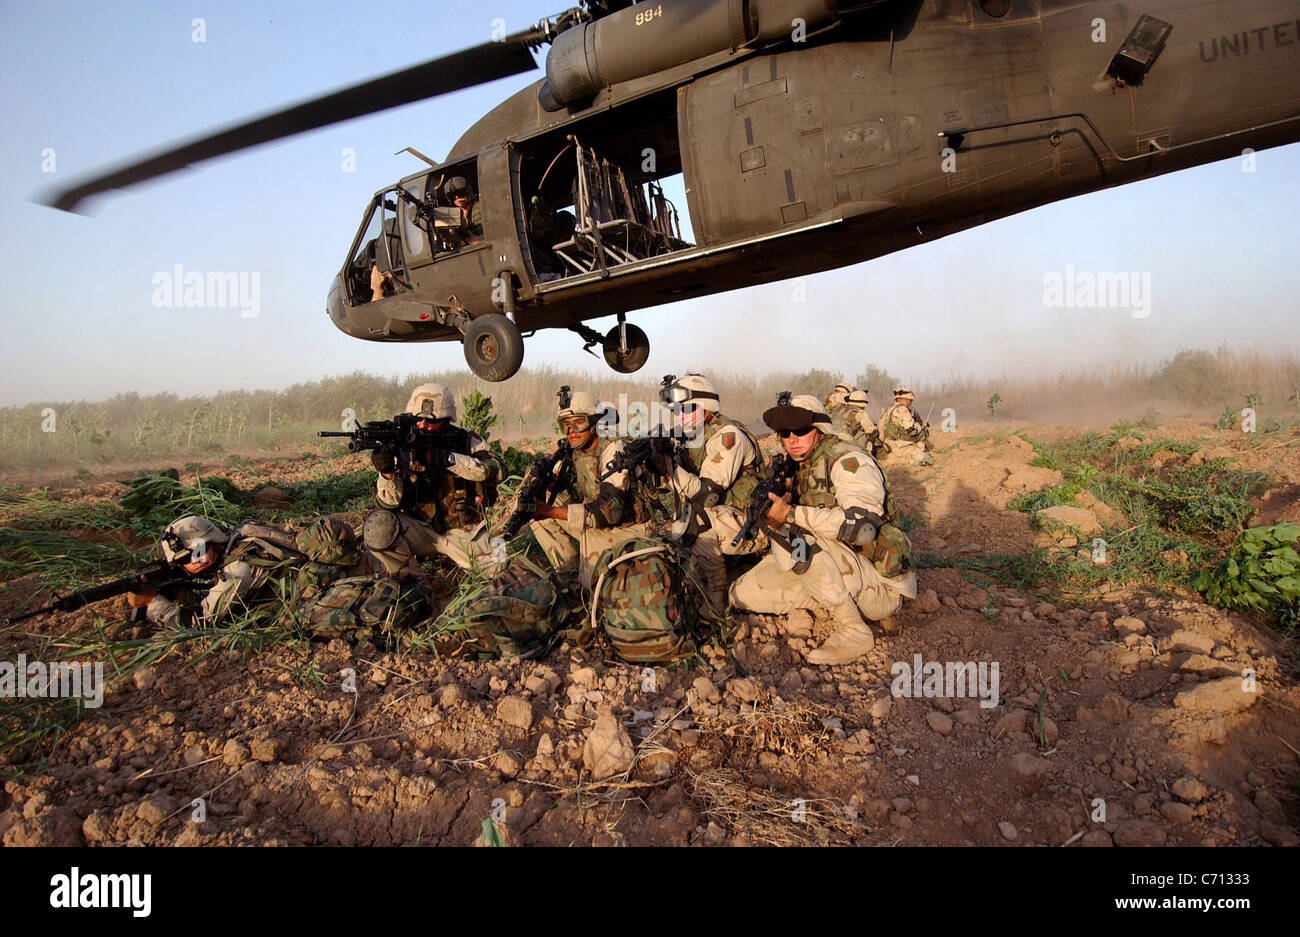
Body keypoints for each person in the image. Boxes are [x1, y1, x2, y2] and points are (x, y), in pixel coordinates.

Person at [729, 394, 917, 665]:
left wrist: (792, 514)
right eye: (784, 432)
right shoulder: (799, 465)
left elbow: (862, 528)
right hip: (835, 569)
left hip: (878, 584)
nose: (791, 438)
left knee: (798, 537)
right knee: (742, 594)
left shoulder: (848, 459)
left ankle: (854, 629)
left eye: (801, 430)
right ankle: (828, 598)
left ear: (820, 429)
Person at [366, 383, 500, 576]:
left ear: (446, 420)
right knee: (381, 526)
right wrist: (386, 473)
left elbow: (496, 470)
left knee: (501, 572)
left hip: (464, 532)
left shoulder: (465, 439)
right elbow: (388, 504)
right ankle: (412, 584)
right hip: (420, 530)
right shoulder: (402, 444)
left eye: (430, 422)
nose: (422, 425)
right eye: (417, 420)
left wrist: (446, 458)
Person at [662, 373, 766, 611]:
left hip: (756, 523)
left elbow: (708, 495)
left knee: (697, 519)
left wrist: (670, 469)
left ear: (706, 407)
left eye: (687, 409)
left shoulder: (728, 436)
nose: (681, 416)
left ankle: (716, 596)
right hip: (731, 518)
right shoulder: (692, 434)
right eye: (677, 410)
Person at [524, 388, 648, 588]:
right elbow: (576, 484)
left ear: (595, 422)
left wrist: (552, 511)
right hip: (596, 518)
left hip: (627, 527)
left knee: (592, 588)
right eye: (565, 426)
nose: (571, 431)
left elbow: (611, 511)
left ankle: (586, 585)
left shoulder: (612, 449)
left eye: (578, 423)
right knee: (537, 503)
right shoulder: (574, 449)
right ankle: (568, 570)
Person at [128, 515, 303, 629]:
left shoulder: (236, 570)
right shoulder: (232, 549)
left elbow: (201, 623)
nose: (194, 561)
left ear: (215, 542)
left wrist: (153, 603)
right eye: (183, 560)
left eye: (199, 551)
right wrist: (178, 592)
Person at [877, 386, 932, 466]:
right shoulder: (903, 410)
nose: (910, 403)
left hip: (890, 444)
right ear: (905, 400)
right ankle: (897, 461)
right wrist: (920, 427)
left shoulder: (889, 410)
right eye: (910, 401)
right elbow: (911, 429)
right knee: (926, 460)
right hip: (902, 446)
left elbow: (881, 430)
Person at [445, 176, 483, 243]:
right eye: (452, 195)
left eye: (460, 193)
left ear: (467, 192)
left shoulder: (480, 207)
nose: (457, 197)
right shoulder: (454, 216)